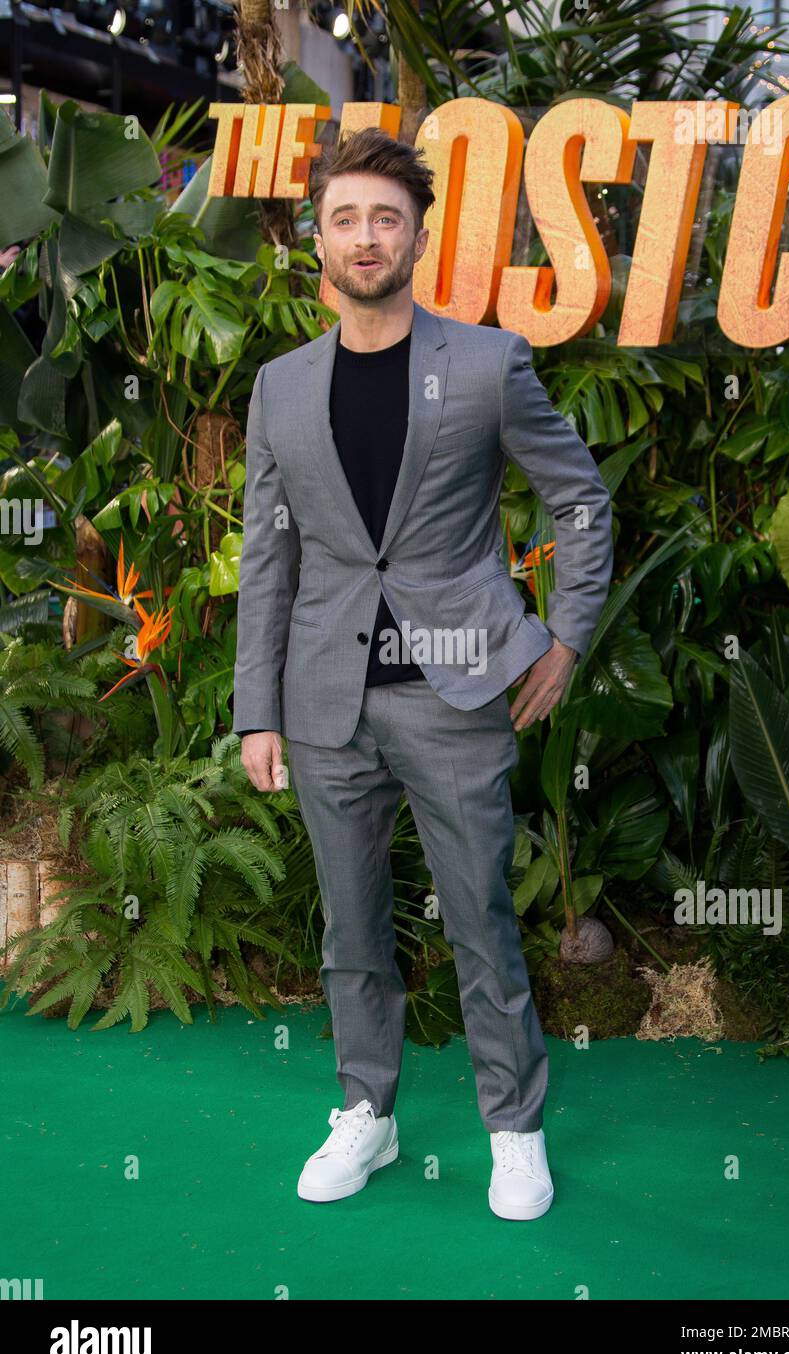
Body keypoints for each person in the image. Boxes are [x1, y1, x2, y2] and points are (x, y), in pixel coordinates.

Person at [233, 127, 613, 1221]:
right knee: (349, 928)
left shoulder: (486, 364)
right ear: (318, 237)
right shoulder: (281, 388)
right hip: (324, 702)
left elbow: (578, 500)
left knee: (479, 919)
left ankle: (513, 1125)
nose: (365, 237)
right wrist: (258, 707)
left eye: (385, 218)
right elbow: (270, 556)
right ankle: (368, 1113)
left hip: (457, 692)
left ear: (415, 236)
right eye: (346, 217)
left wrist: (565, 634)